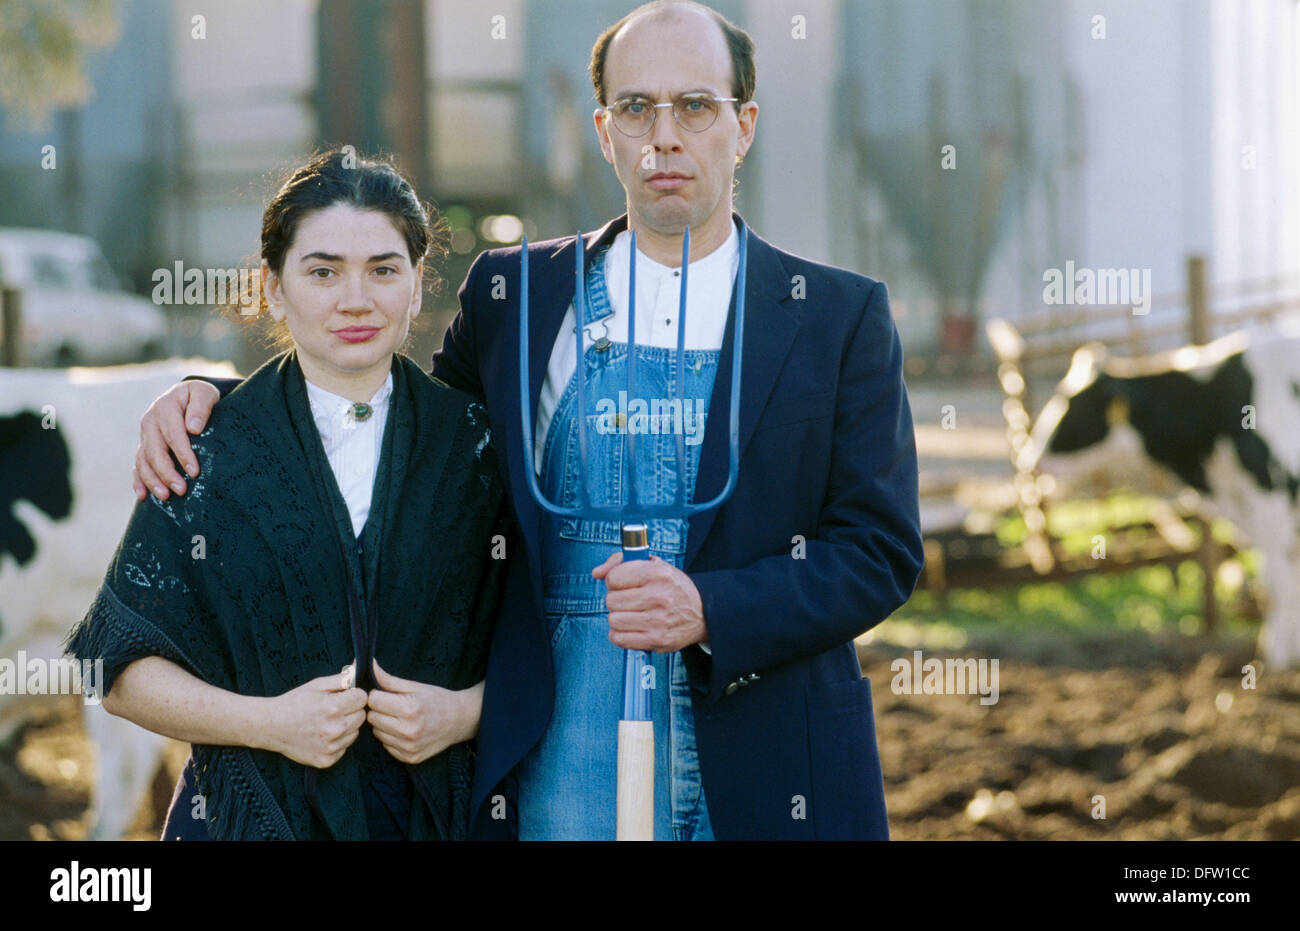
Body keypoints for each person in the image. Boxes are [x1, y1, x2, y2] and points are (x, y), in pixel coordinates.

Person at [134, 1, 924, 840]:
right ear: (603, 129)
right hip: (556, 745)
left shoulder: (837, 316)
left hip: (771, 756)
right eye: (635, 108)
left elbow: (878, 549)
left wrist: (711, 606)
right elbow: (410, 436)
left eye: (695, 106)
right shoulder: (514, 296)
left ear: (745, 125)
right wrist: (224, 397)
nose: (664, 136)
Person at [69, 149, 509, 840]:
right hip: (246, 819)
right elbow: (119, 667)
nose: (355, 298)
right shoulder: (206, 448)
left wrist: (464, 713)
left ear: (418, 286)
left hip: (437, 821)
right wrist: (269, 723)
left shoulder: (479, 446)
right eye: (323, 270)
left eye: (384, 270)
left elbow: (550, 646)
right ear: (273, 288)